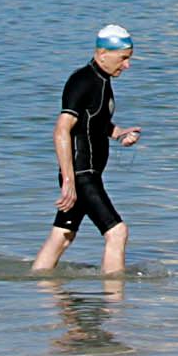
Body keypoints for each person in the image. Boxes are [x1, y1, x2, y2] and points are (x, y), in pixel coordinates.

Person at [32, 25, 141, 274]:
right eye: (123, 59)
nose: (127, 66)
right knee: (117, 232)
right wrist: (69, 180)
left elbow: (94, 123)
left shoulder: (102, 81)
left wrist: (118, 134)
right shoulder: (82, 81)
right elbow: (62, 130)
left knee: (63, 235)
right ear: (102, 53)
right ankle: (114, 305)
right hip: (81, 174)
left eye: (129, 59)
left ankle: (39, 290)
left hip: (85, 174)